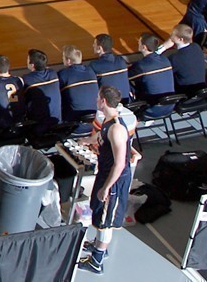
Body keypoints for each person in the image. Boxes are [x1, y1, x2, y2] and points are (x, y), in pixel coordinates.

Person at [79, 87, 137, 274]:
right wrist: (86, 141)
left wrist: (106, 187)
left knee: (105, 219)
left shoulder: (117, 129)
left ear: (103, 101)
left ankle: (97, 261)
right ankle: (98, 244)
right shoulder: (107, 121)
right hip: (105, 173)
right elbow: (100, 137)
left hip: (114, 180)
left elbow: (120, 164)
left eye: (98, 98)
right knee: (99, 213)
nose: (96, 100)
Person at [160, 23, 207, 93]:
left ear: (180, 39)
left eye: (173, 35)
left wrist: (163, 47)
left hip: (186, 92)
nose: (170, 36)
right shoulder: (196, 47)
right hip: (201, 90)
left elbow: (156, 64)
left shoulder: (175, 58)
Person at [58, 45, 100, 118]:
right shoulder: (90, 71)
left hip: (74, 121)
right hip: (94, 117)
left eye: (63, 58)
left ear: (68, 61)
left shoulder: (63, 74)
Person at [90, 34, 132, 101]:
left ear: (99, 48)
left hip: (109, 104)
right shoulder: (121, 60)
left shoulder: (94, 65)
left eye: (94, 44)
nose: (93, 46)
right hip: (126, 101)